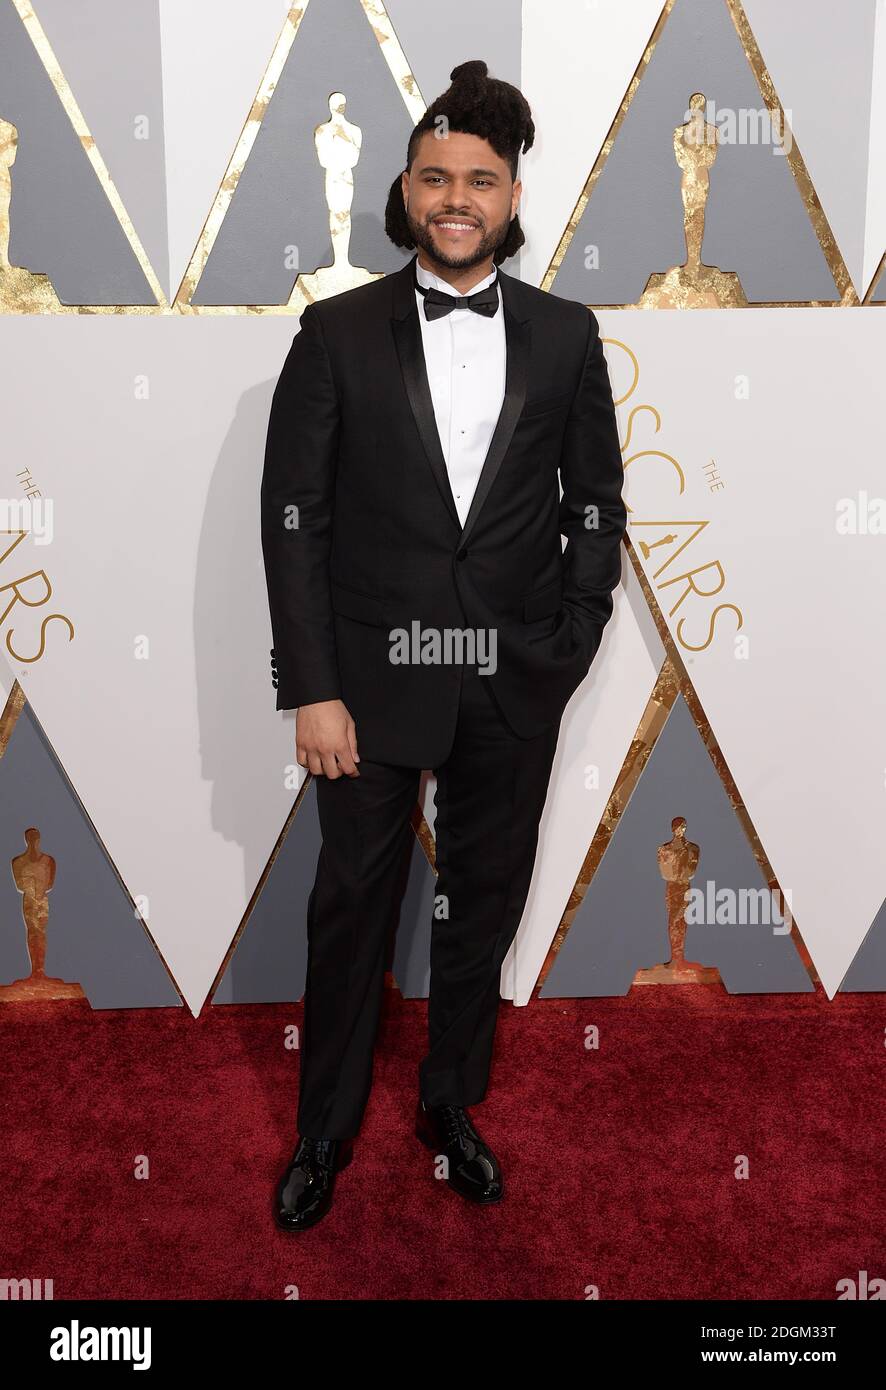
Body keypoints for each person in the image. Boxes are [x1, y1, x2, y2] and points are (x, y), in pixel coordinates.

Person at [261, 59, 627, 1231]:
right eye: (435, 178)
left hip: (512, 678)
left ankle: (449, 1102)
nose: (456, 198)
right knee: (351, 907)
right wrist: (312, 689)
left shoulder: (569, 337)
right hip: (365, 688)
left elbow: (595, 507)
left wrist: (567, 643)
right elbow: (293, 523)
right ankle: (323, 1131)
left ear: (512, 199)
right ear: (405, 193)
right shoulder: (334, 332)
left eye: (480, 179)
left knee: (484, 900)